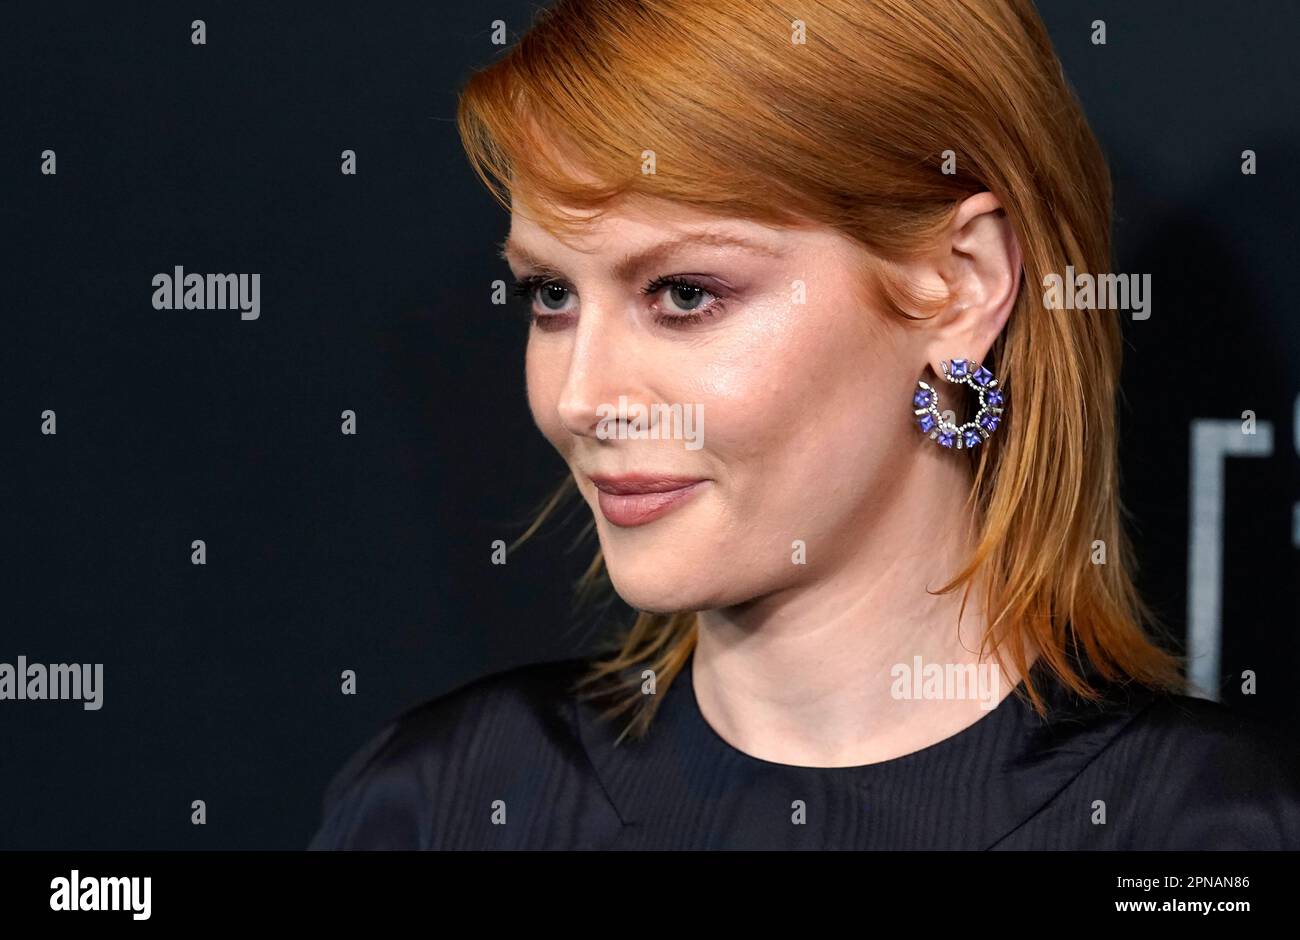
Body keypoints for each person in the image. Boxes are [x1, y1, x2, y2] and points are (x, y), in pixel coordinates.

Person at [308, 0, 1300, 850]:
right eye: (551, 295)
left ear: (960, 288)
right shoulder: (443, 804)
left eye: (684, 293)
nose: (581, 396)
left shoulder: (1203, 834)